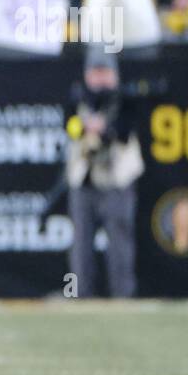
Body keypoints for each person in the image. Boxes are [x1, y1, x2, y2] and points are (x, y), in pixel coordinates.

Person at [64, 49, 144, 298]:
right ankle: (79, 296)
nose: (100, 79)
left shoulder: (124, 99)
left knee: (119, 240)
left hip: (117, 179)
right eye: (95, 72)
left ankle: (123, 296)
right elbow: (70, 127)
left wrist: (105, 128)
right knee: (80, 244)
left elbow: (124, 131)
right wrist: (86, 127)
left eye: (105, 72)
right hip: (84, 178)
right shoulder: (79, 99)